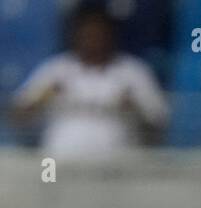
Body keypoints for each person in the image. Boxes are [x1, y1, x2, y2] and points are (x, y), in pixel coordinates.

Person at [8, 3, 168, 159]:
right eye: (87, 34)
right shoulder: (56, 69)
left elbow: (159, 126)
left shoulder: (133, 72)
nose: (93, 40)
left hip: (118, 166)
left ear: (111, 35)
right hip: (59, 162)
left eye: (100, 34)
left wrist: (135, 108)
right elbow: (17, 117)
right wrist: (42, 98)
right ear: (76, 35)